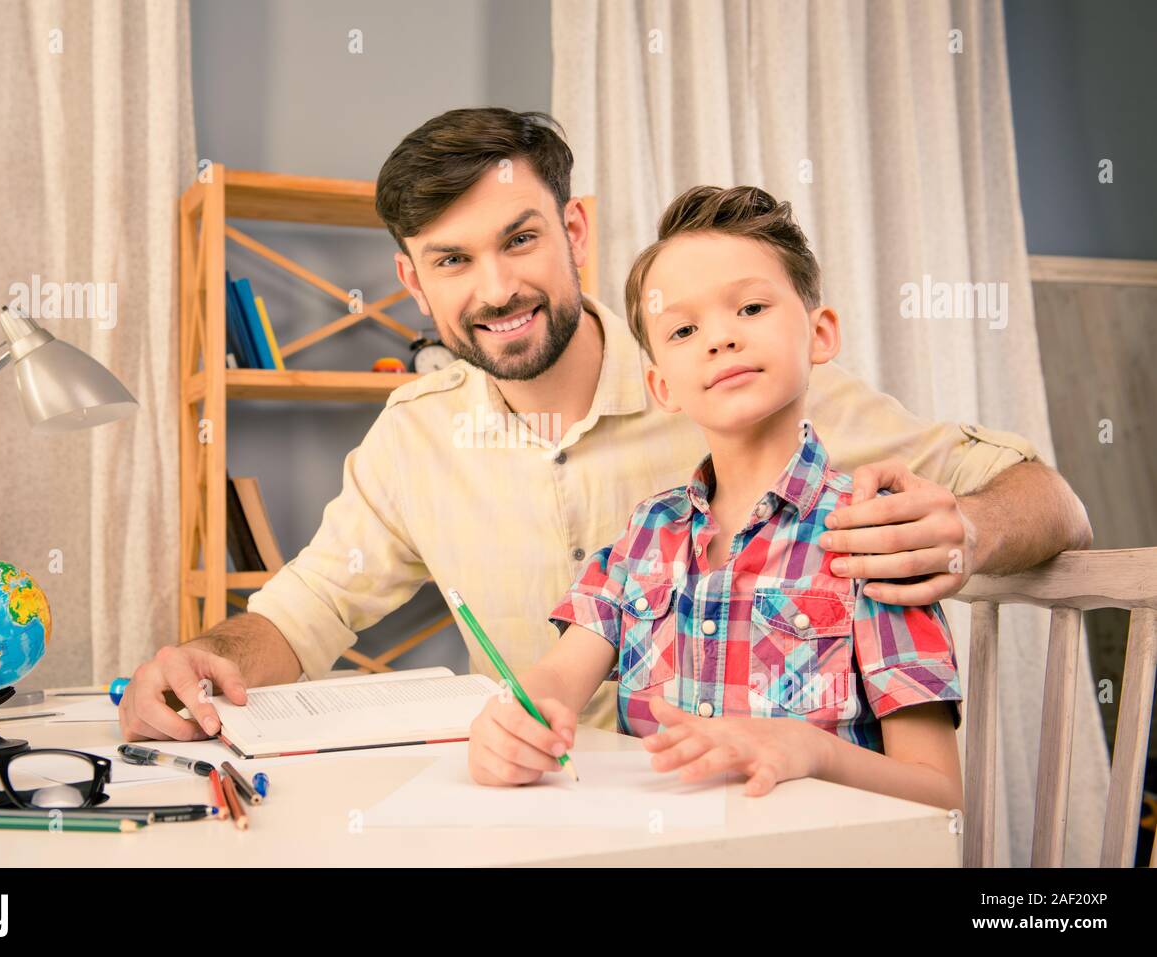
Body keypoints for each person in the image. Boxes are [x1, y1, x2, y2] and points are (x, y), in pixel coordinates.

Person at [118, 108, 1091, 745]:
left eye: (520, 239)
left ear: (575, 231)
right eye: (451, 262)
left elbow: (1044, 496)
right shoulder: (411, 440)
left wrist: (969, 531)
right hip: (533, 824)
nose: (496, 290)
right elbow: (304, 616)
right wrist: (210, 662)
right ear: (413, 284)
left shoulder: (734, 386)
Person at [468, 185, 964, 809]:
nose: (720, 339)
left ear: (820, 334)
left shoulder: (872, 538)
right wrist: (516, 724)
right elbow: (556, 681)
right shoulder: (647, 534)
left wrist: (811, 750)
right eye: (683, 329)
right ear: (662, 385)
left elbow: (943, 797)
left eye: (751, 308)